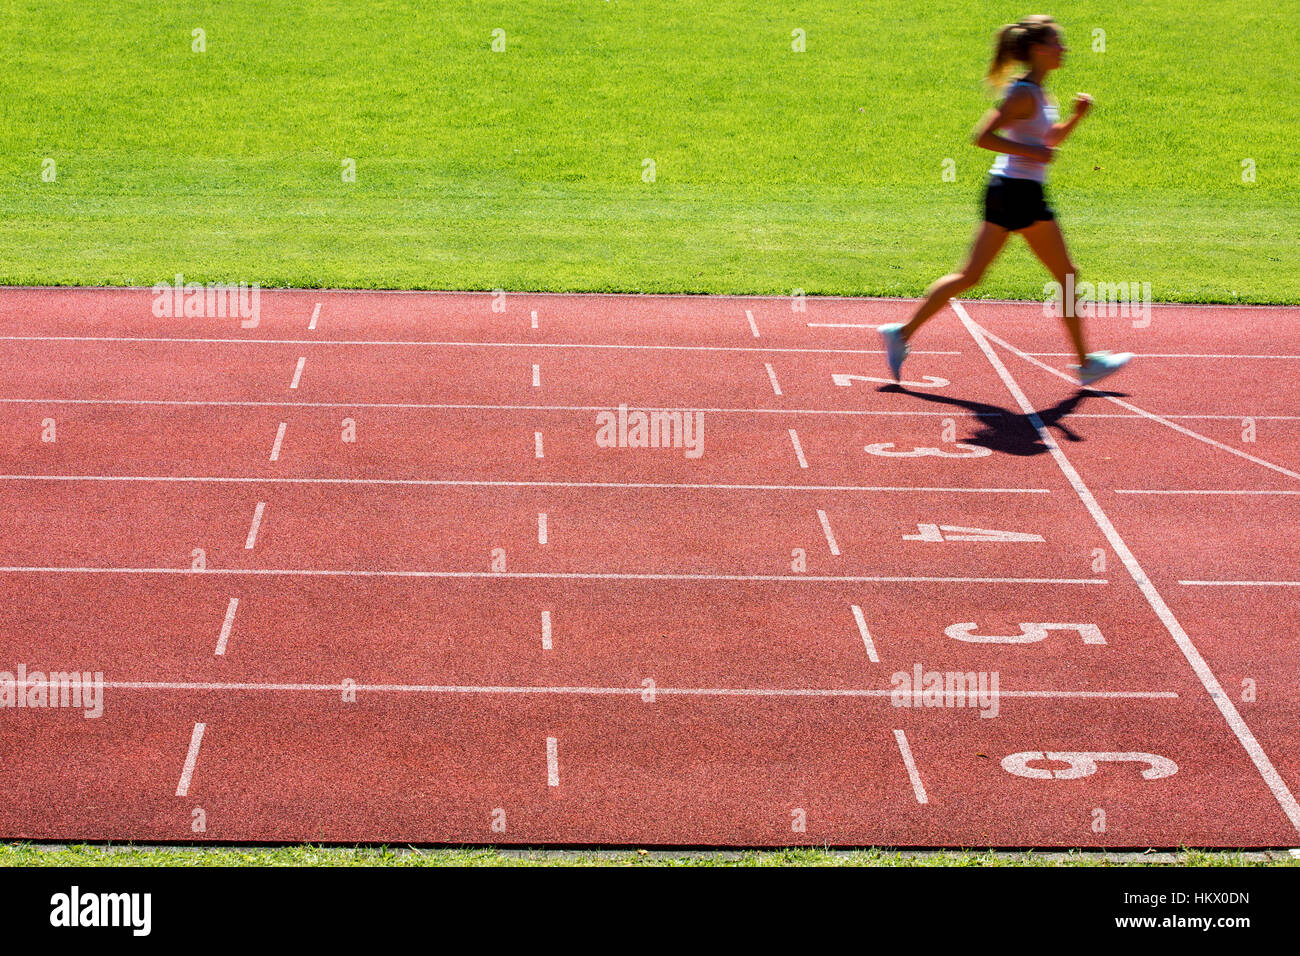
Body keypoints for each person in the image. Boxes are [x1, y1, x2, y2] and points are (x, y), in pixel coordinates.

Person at [879, 15, 1131, 387]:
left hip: (1007, 190)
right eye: (1057, 43)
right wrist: (1032, 151)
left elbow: (1047, 141)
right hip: (1018, 193)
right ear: (1038, 50)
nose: (1064, 49)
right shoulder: (1023, 93)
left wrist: (1075, 118)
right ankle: (1085, 364)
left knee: (971, 275)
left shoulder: (1039, 92)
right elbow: (983, 136)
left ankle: (900, 333)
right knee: (1066, 275)